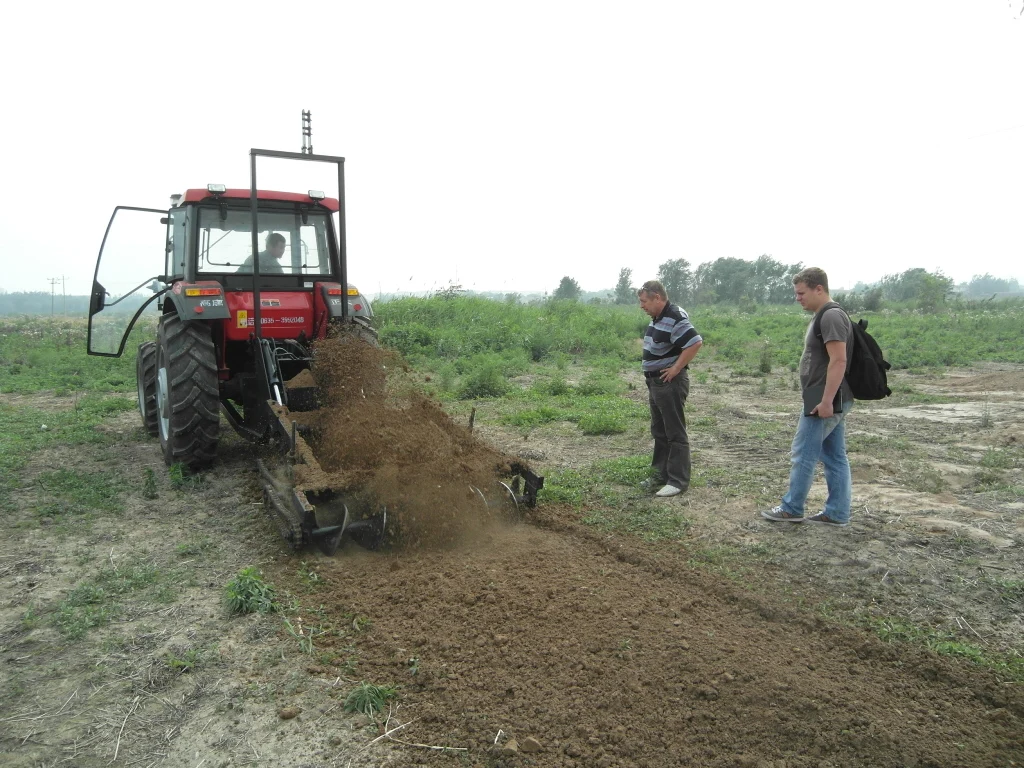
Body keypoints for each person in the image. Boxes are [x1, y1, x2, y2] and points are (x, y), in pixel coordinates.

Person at [762, 266, 854, 527]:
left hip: (825, 397)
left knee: (803, 453)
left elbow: (839, 360)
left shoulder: (831, 316)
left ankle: (792, 508)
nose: (797, 298)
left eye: (801, 293)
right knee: (834, 456)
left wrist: (826, 401)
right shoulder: (824, 315)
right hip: (827, 395)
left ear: (819, 289)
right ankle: (837, 513)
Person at [638, 280, 703, 498]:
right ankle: (660, 474)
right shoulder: (659, 316)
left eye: (644, 301)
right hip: (655, 383)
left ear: (657, 297)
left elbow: (695, 342)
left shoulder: (674, 316)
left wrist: (676, 368)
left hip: (669, 383)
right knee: (659, 431)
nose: (641, 306)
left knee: (674, 432)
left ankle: (677, 481)